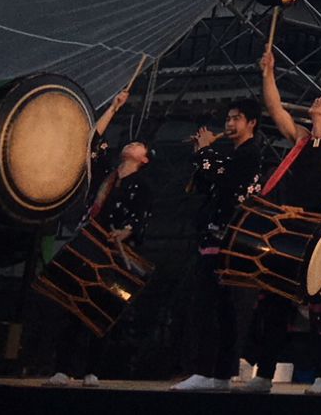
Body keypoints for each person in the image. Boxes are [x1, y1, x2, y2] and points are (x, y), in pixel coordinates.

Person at [236, 44, 321, 396]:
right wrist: (268, 72)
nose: (317, 100)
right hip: (288, 226)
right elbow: (275, 108)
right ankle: (264, 374)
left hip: (319, 230)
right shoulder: (303, 139)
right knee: (275, 301)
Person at [37, 83, 152, 387]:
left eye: (139, 145)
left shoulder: (143, 186)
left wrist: (127, 232)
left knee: (102, 311)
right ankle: (62, 368)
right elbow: (93, 141)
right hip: (90, 241)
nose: (132, 144)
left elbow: (141, 219)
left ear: (145, 159)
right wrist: (114, 107)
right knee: (74, 305)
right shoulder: (106, 175)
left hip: (114, 249)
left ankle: (93, 370)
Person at [173, 99, 267, 392]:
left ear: (251, 123)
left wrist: (204, 151)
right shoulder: (234, 153)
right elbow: (206, 183)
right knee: (218, 308)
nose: (228, 124)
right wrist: (201, 154)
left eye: (236, 119)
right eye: (228, 119)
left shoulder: (251, 154)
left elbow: (225, 180)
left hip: (229, 237)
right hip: (220, 237)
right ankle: (217, 375)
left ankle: (207, 371)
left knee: (212, 307)